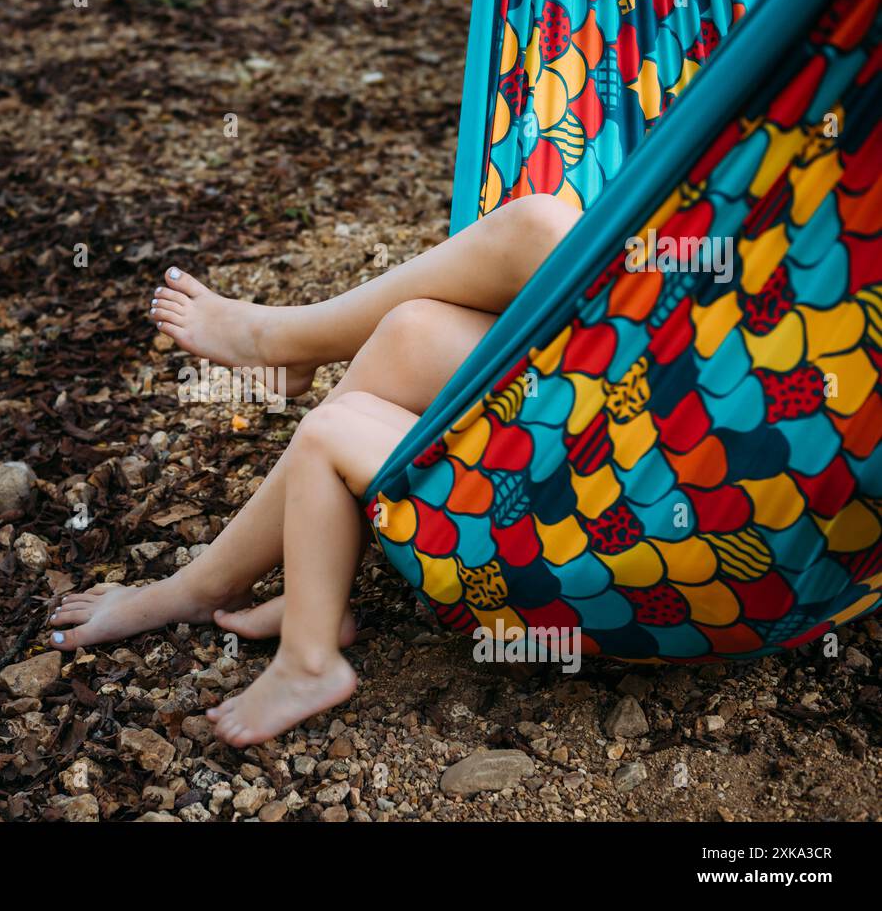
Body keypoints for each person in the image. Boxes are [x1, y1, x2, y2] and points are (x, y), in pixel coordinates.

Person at [50, 193, 580, 746]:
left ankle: (281, 344)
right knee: (410, 335)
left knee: (537, 227)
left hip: (634, 463)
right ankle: (280, 590)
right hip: (606, 400)